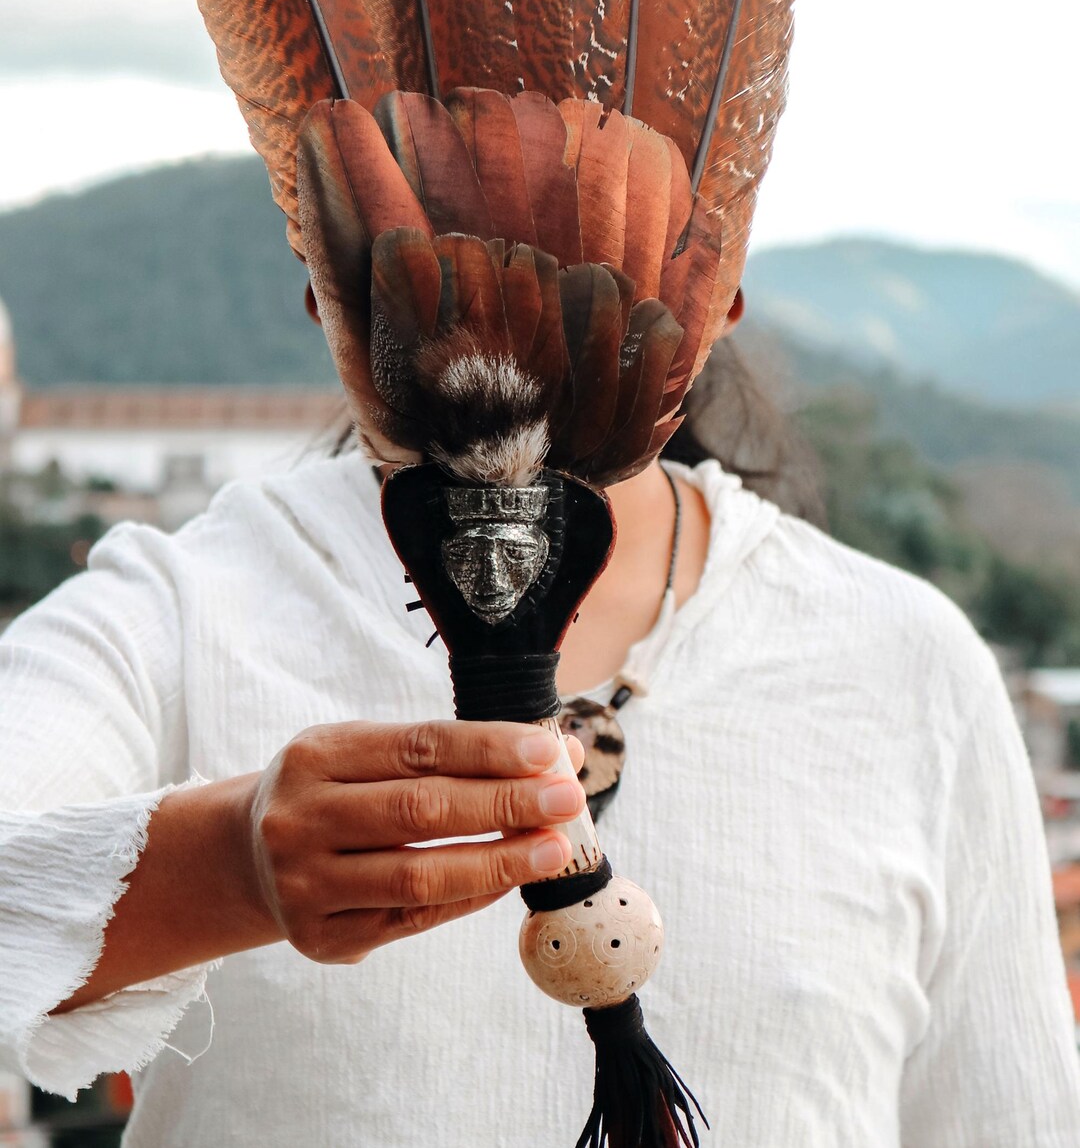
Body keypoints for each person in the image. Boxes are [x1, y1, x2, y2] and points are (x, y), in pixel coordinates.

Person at [1, 323, 1079, 1146]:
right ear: (325, 284)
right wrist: (224, 866)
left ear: (714, 286)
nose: (520, 275)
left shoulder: (906, 659)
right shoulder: (185, 610)